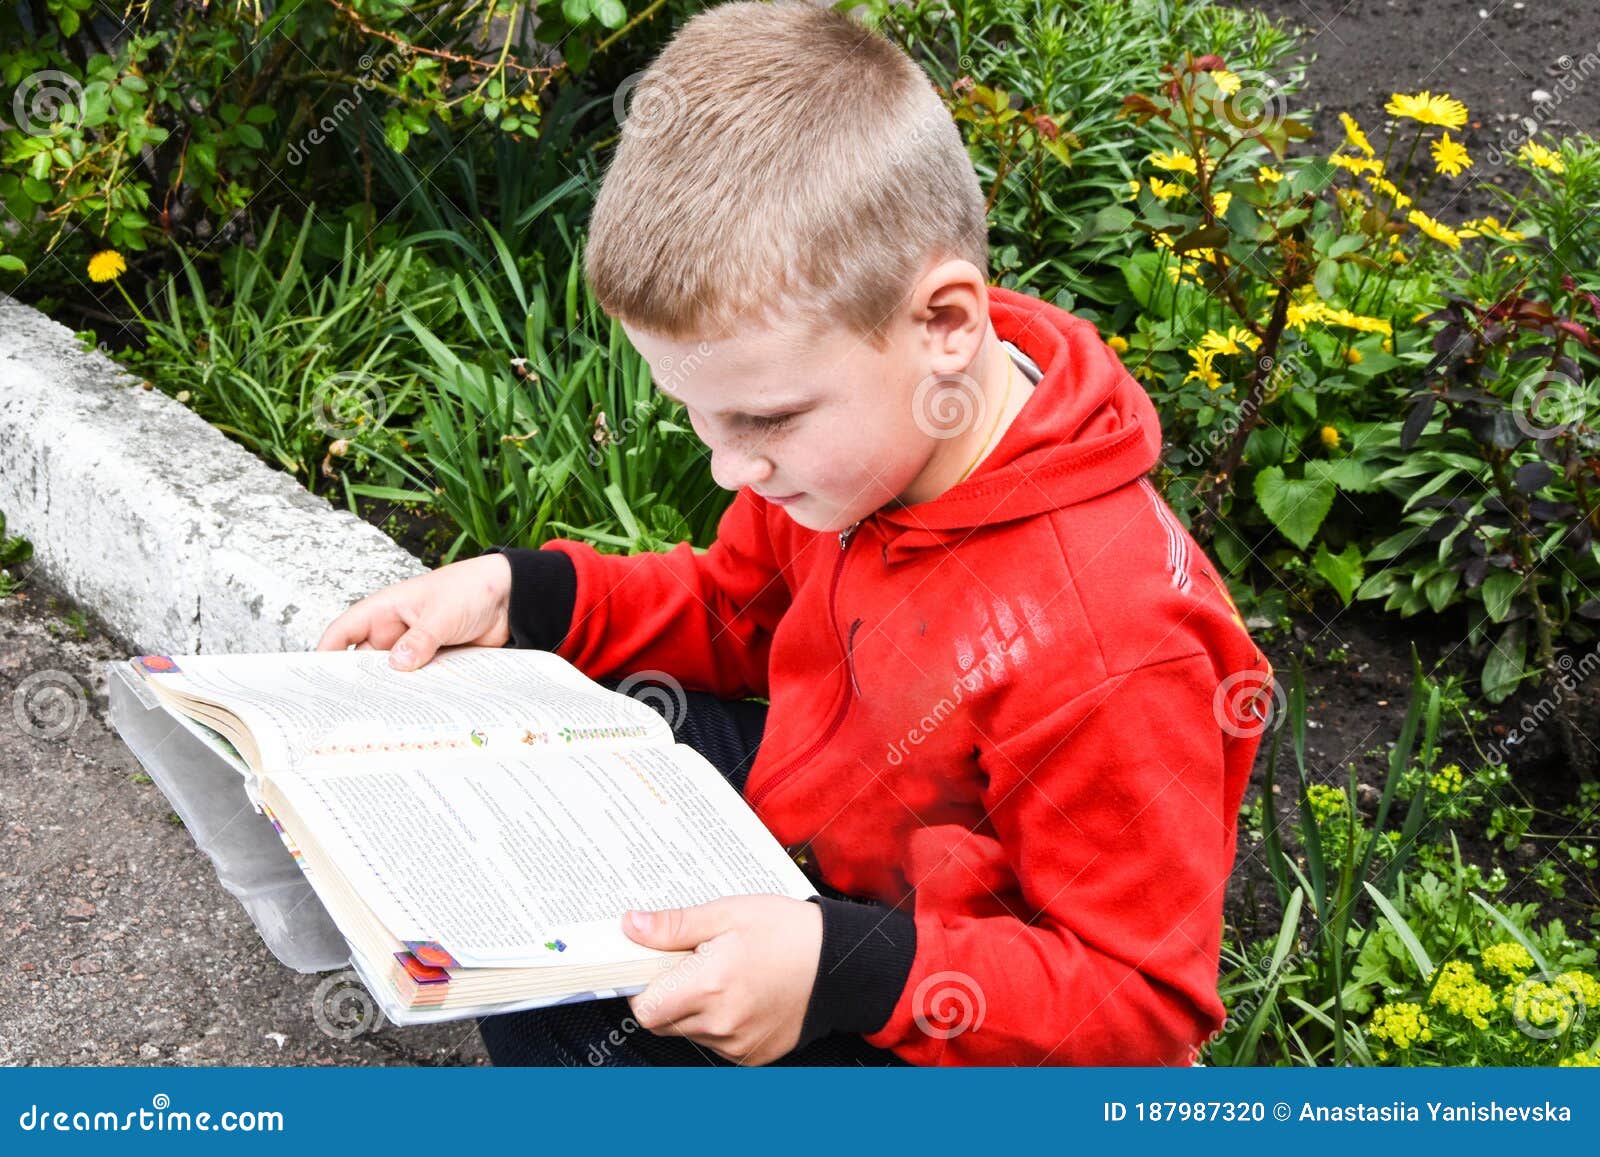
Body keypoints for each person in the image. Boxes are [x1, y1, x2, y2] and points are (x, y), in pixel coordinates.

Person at [317, 0, 1273, 1067]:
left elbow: (1139, 1006)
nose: (732, 467)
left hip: (940, 1007)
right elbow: (736, 606)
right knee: (522, 836)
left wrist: (844, 967)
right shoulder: (862, 449)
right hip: (827, 866)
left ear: (947, 325)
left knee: (607, 1032)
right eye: (696, 413)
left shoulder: (1107, 635)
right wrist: (529, 597)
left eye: (764, 418)